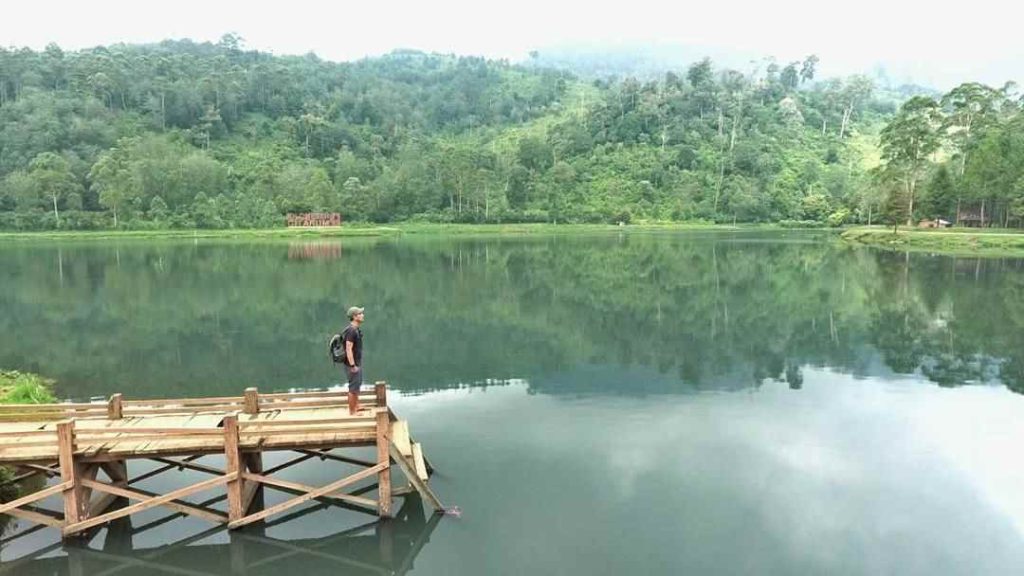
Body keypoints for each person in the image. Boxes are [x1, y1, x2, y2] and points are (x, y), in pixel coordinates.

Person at [342, 306, 365, 414]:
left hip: (357, 363)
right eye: (360, 313)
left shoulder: (355, 329)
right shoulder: (351, 331)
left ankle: (356, 406)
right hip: (352, 364)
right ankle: (352, 411)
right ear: (355, 317)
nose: (362, 315)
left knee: (357, 384)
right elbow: (348, 348)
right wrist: (352, 365)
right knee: (353, 388)